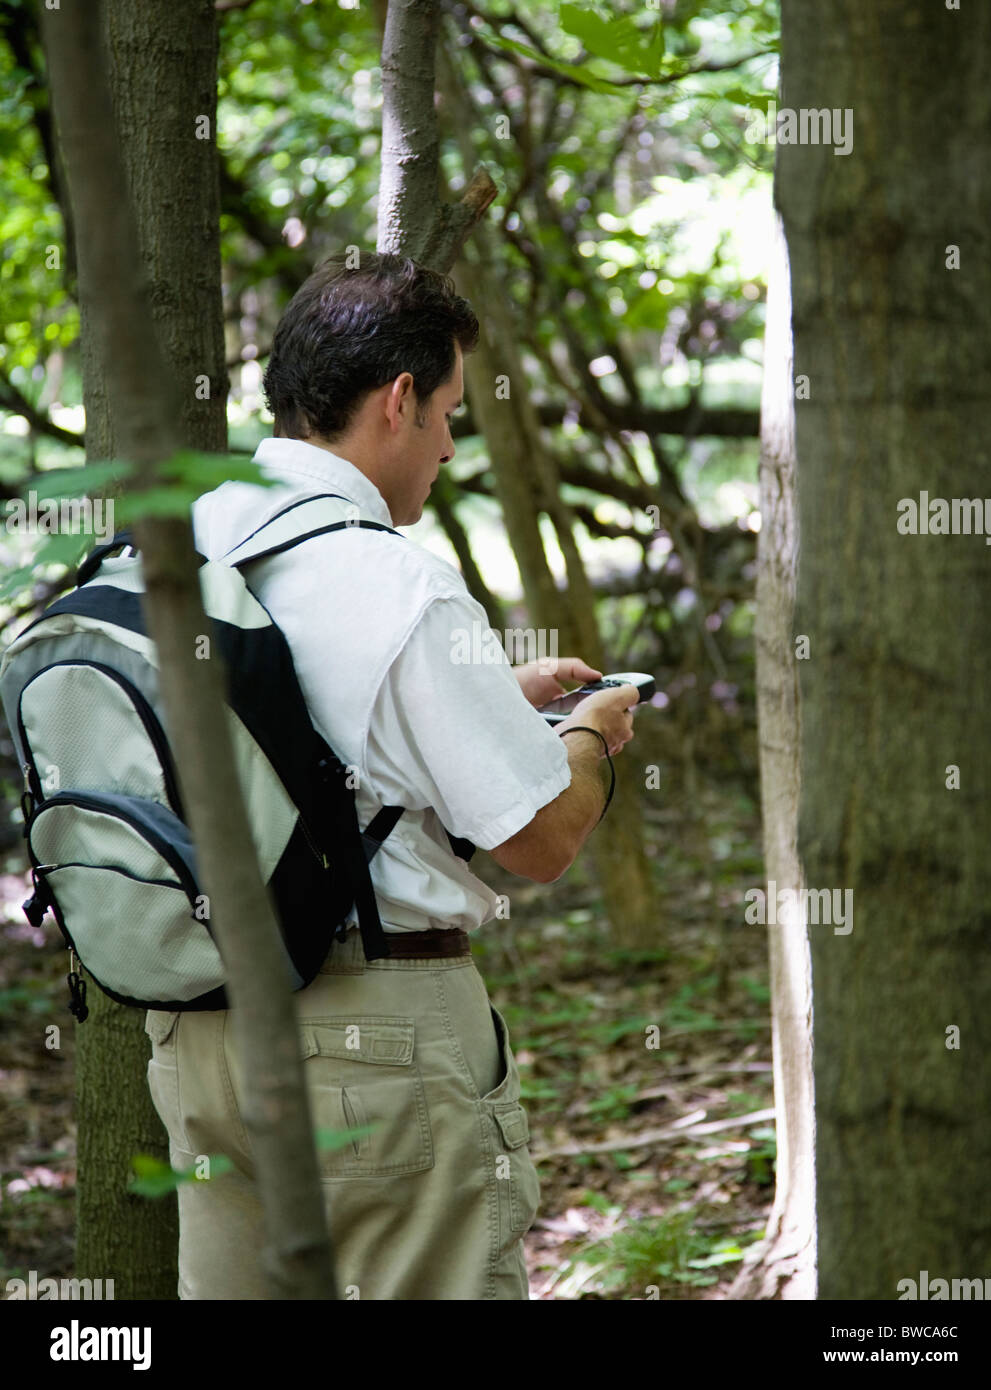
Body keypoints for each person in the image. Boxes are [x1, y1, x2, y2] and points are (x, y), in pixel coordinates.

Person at [143, 252, 638, 1300]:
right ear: (399, 398)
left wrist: (486, 693)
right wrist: (589, 734)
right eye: (451, 411)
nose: (453, 444)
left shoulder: (186, 534)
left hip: (192, 1033)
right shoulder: (397, 581)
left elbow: (290, 733)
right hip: (376, 1038)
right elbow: (540, 841)